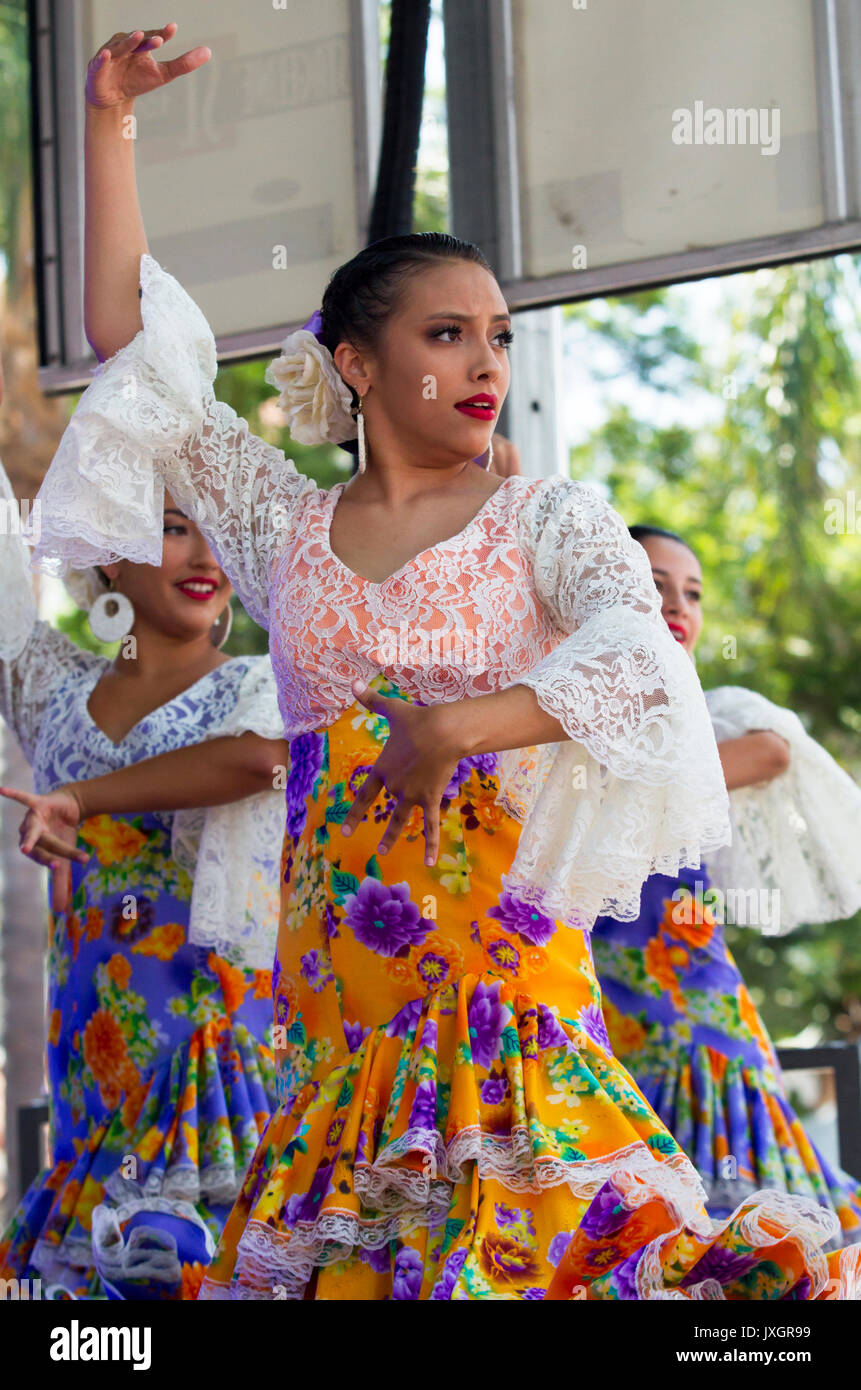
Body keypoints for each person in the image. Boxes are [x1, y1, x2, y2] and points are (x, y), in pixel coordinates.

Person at [28, 24, 861, 1300]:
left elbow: (642, 660)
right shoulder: (280, 528)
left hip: (503, 969)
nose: (486, 364)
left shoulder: (550, 518)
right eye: (448, 335)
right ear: (356, 364)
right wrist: (107, 120)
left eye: (500, 335)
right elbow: (133, 343)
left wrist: (464, 726)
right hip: (339, 981)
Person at [0, 429, 287, 1297]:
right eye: (172, 528)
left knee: (201, 1260)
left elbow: (260, 760)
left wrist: (81, 801)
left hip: (217, 1031)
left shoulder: (258, 684)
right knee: (103, 1298)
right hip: (91, 1039)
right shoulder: (47, 681)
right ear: (107, 558)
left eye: (220, 534)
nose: (206, 555)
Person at [591, 523, 861, 1243]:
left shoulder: (704, 720)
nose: (678, 605)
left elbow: (773, 753)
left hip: (695, 1011)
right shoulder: (549, 725)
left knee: (743, 1236)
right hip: (589, 1014)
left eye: (693, 593)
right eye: (654, 586)